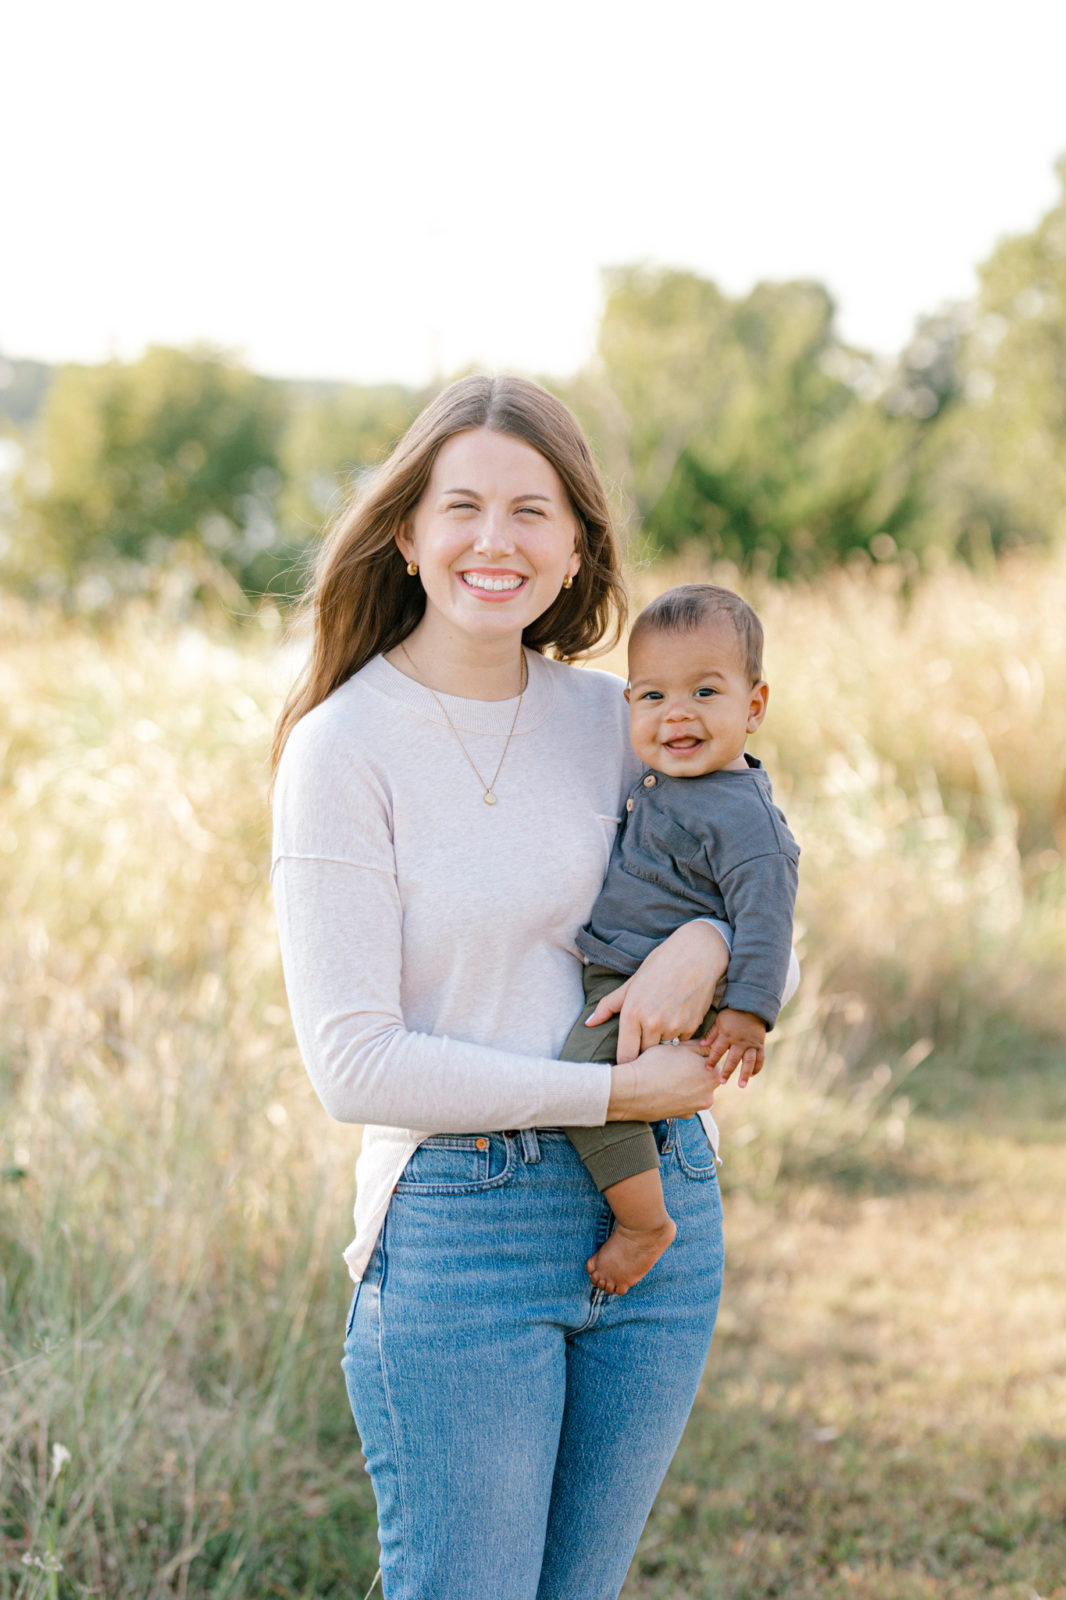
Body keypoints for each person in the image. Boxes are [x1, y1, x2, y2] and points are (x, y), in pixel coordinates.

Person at [271, 375, 739, 1599]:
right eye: (462, 506)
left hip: (663, 1206)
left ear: (576, 541)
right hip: (459, 1224)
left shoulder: (619, 717)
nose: (497, 540)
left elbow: (755, 856)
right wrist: (610, 1094)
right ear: (407, 534)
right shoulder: (344, 747)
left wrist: (708, 946)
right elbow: (354, 1063)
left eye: (533, 510)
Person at [560, 583, 800, 1296]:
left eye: (704, 691)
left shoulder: (746, 818)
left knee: (586, 1088)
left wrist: (747, 1013)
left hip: (647, 995)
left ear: (753, 707)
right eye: (653, 697)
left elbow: (767, 918)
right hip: (621, 974)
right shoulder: (667, 780)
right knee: (598, 1090)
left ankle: (645, 1226)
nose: (678, 715)